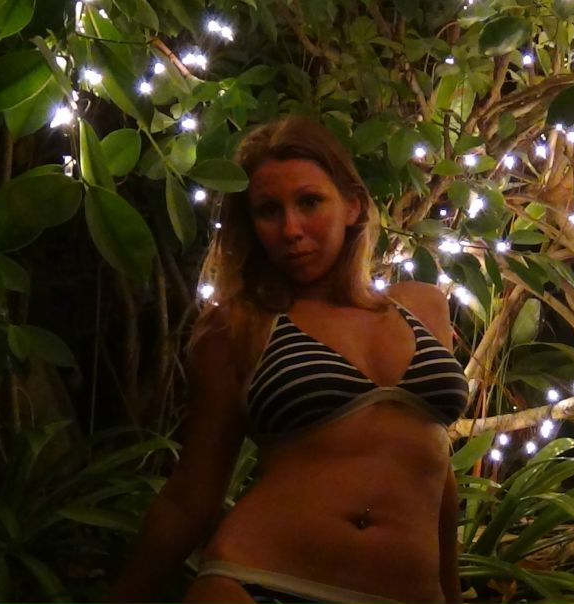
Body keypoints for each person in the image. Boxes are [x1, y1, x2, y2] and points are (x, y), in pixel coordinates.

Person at [107, 116, 469, 604]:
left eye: (309, 202)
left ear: (353, 205)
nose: (291, 229)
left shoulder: (423, 305)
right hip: (260, 583)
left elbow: (433, 466)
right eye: (268, 211)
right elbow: (190, 496)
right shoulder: (238, 325)